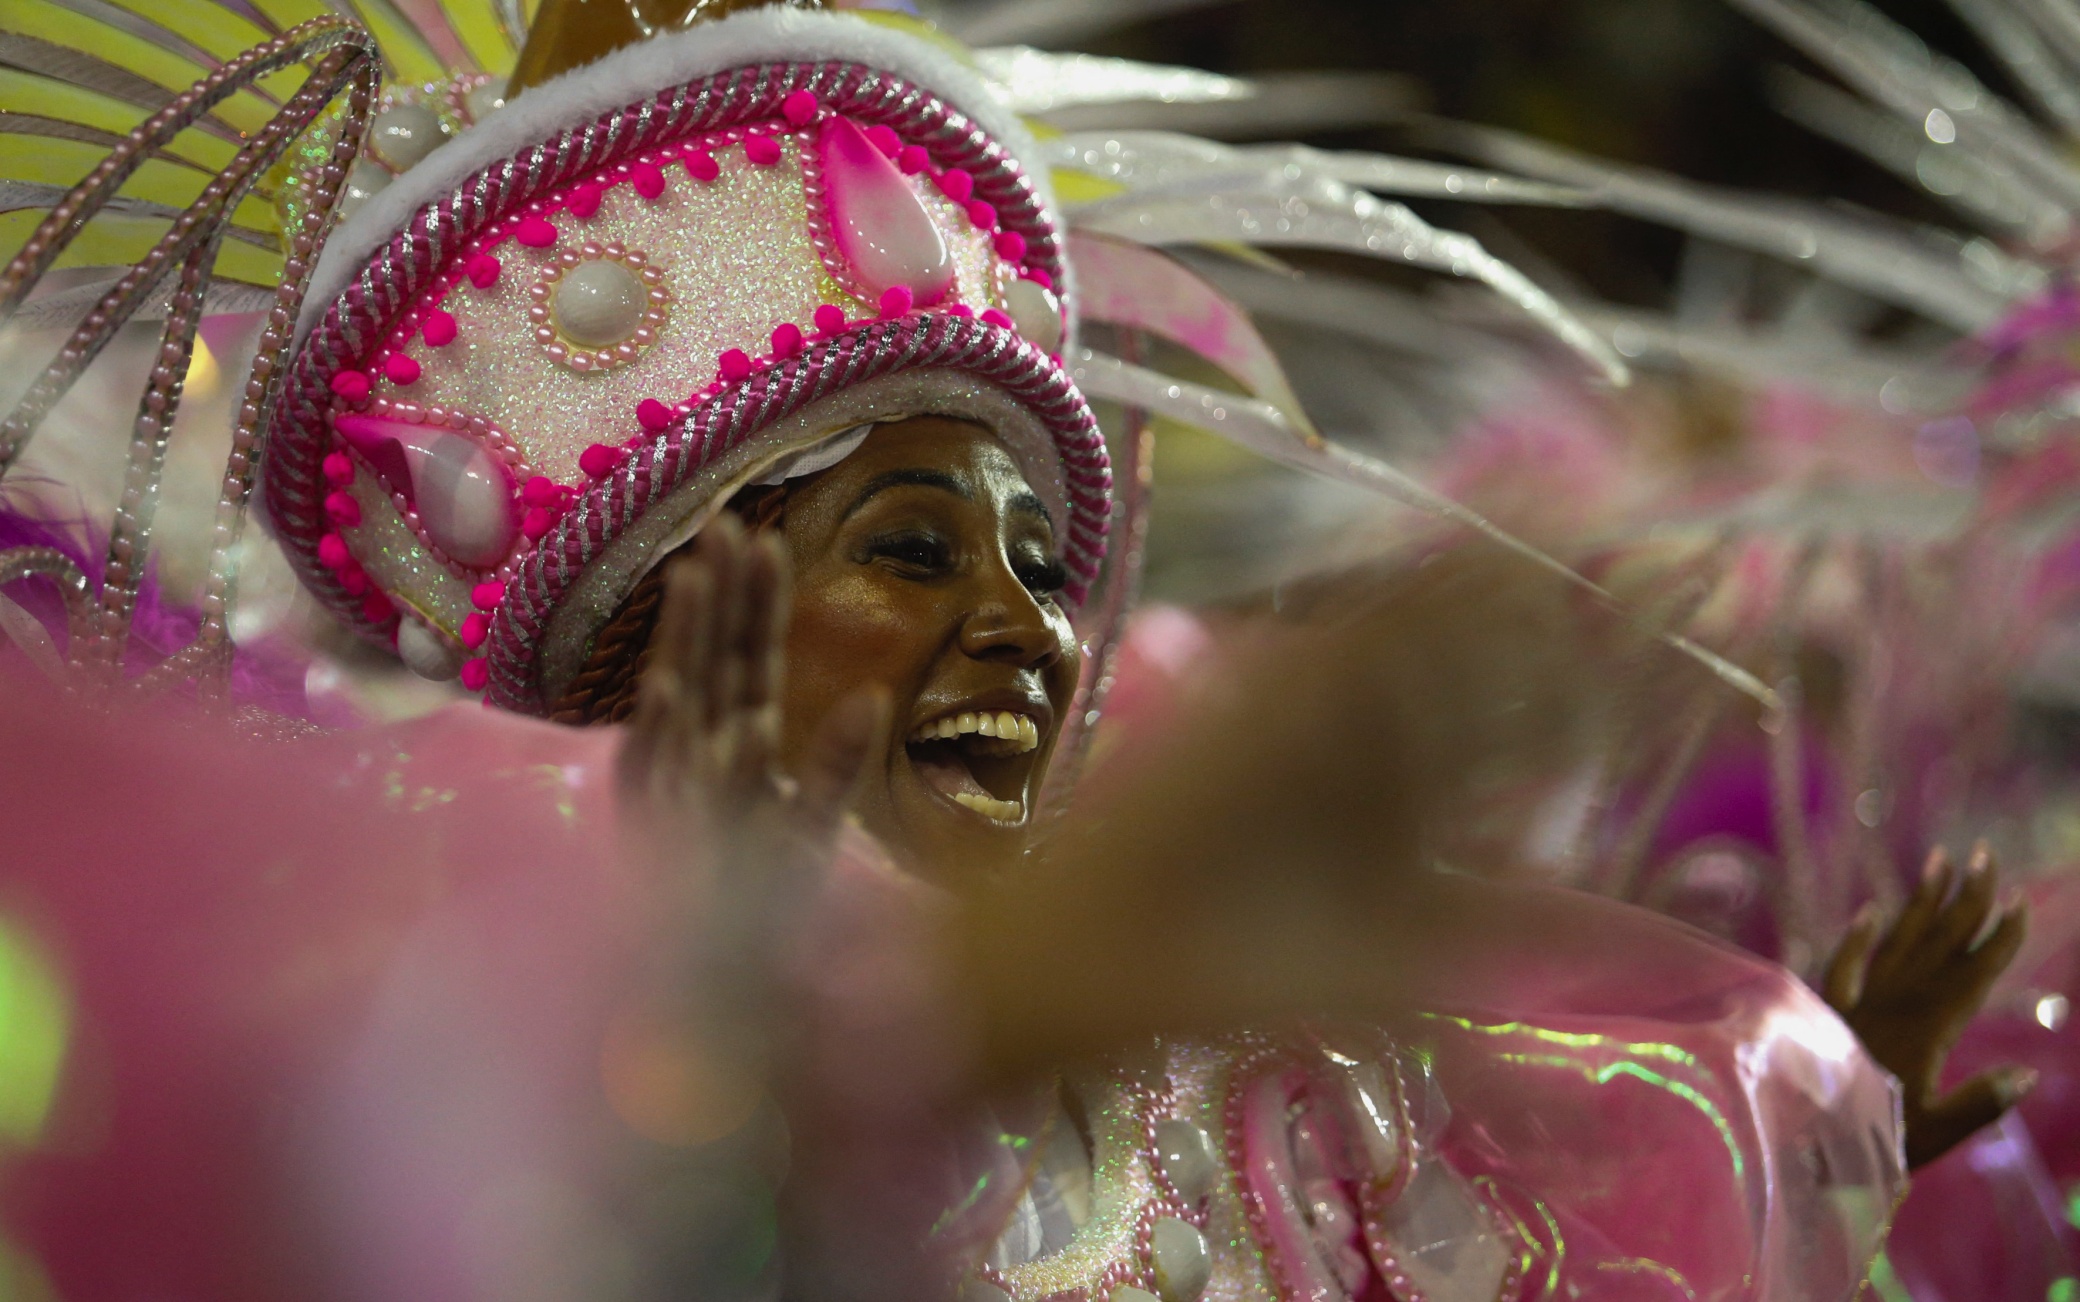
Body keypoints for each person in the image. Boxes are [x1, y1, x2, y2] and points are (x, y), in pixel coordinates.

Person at [0, 0, 2015, 1297]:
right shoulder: (402, 1037)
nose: (1023, 626)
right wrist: (713, 1053)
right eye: (909, 548)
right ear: (658, 628)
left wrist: (1836, 1145)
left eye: (1046, 564)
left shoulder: (1264, 1079)